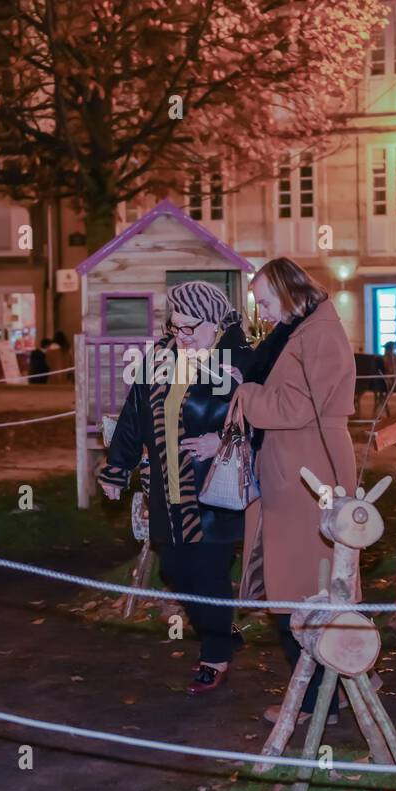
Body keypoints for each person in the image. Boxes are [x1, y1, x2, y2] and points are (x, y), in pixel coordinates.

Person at [99, 281, 253, 695]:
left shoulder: (239, 358)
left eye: (190, 328)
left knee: (206, 569)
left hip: (215, 486)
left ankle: (215, 654)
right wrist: (117, 469)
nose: (181, 336)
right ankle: (220, 626)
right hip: (167, 484)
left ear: (215, 320)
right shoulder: (163, 354)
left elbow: (268, 419)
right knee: (173, 568)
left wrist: (222, 440)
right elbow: (135, 415)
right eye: (174, 327)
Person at [228, 258, 356, 728]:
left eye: (265, 301)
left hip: (309, 472)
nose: (261, 312)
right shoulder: (297, 331)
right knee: (300, 587)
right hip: (294, 470)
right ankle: (330, 692)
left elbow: (295, 406)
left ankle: (313, 702)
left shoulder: (317, 335)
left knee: (303, 590)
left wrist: (245, 395)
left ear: (288, 291)